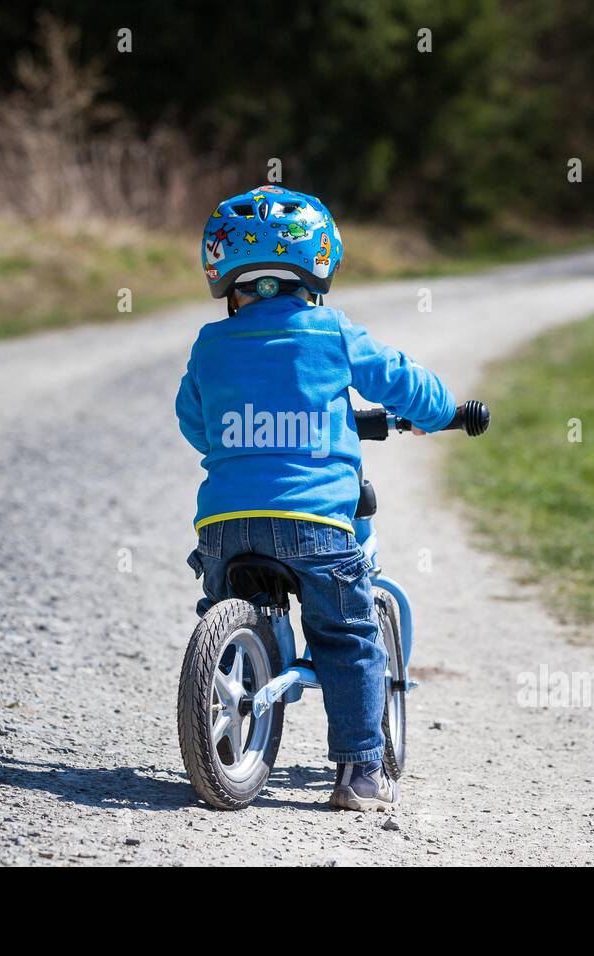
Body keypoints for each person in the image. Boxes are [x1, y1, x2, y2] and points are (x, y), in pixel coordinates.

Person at [175, 186, 455, 811]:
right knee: (349, 636)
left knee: (225, 597)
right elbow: (403, 381)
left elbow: (194, 422)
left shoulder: (210, 345)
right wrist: (440, 412)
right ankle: (360, 770)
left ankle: (238, 679)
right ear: (317, 269)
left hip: (226, 525)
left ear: (226, 279)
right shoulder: (331, 332)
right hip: (315, 526)